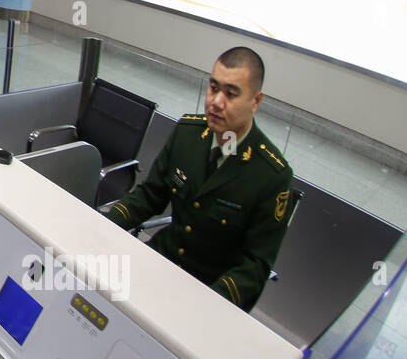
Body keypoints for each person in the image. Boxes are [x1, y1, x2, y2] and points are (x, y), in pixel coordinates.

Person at [102, 47, 294, 312]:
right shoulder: (188, 133)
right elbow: (150, 195)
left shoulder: (271, 174)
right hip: (161, 260)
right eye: (213, 88)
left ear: (256, 101)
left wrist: (208, 307)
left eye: (231, 93)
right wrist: (103, 226)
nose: (216, 101)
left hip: (210, 290)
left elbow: (255, 265)